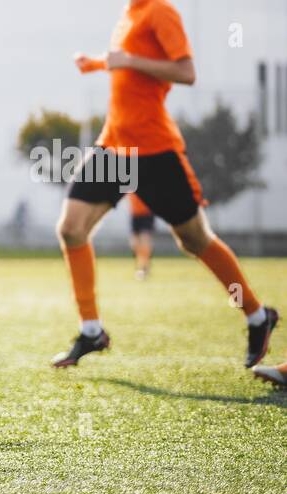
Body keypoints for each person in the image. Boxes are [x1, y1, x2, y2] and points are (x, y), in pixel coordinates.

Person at [55, 0, 277, 368]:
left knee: (194, 239)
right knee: (71, 229)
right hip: (113, 146)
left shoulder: (161, 11)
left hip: (155, 150)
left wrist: (127, 60)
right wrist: (97, 63)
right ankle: (91, 330)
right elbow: (127, 67)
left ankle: (256, 315)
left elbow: (186, 72)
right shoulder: (130, 13)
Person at [128, 195, 157, 281]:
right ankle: (140, 265)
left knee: (145, 240)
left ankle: (145, 267)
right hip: (134, 214)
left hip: (146, 213)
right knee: (134, 243)